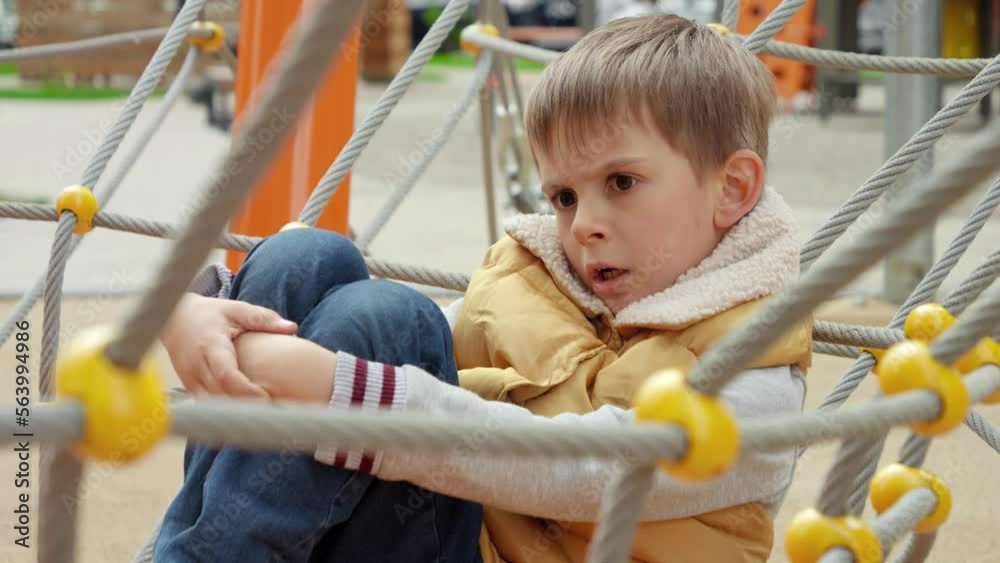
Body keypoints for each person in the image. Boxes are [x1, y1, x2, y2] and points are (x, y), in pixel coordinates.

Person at [153, 14, 812, 563]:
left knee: (386, 316)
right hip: (430, 535)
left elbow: (596, 473)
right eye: (563, 195)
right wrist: (196, 312)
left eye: (622, 183)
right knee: (310, 257)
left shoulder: (756, 372)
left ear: (731, 188)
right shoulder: (542, 277)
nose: (585, 226)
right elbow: (407, 337)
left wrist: (343, 391)